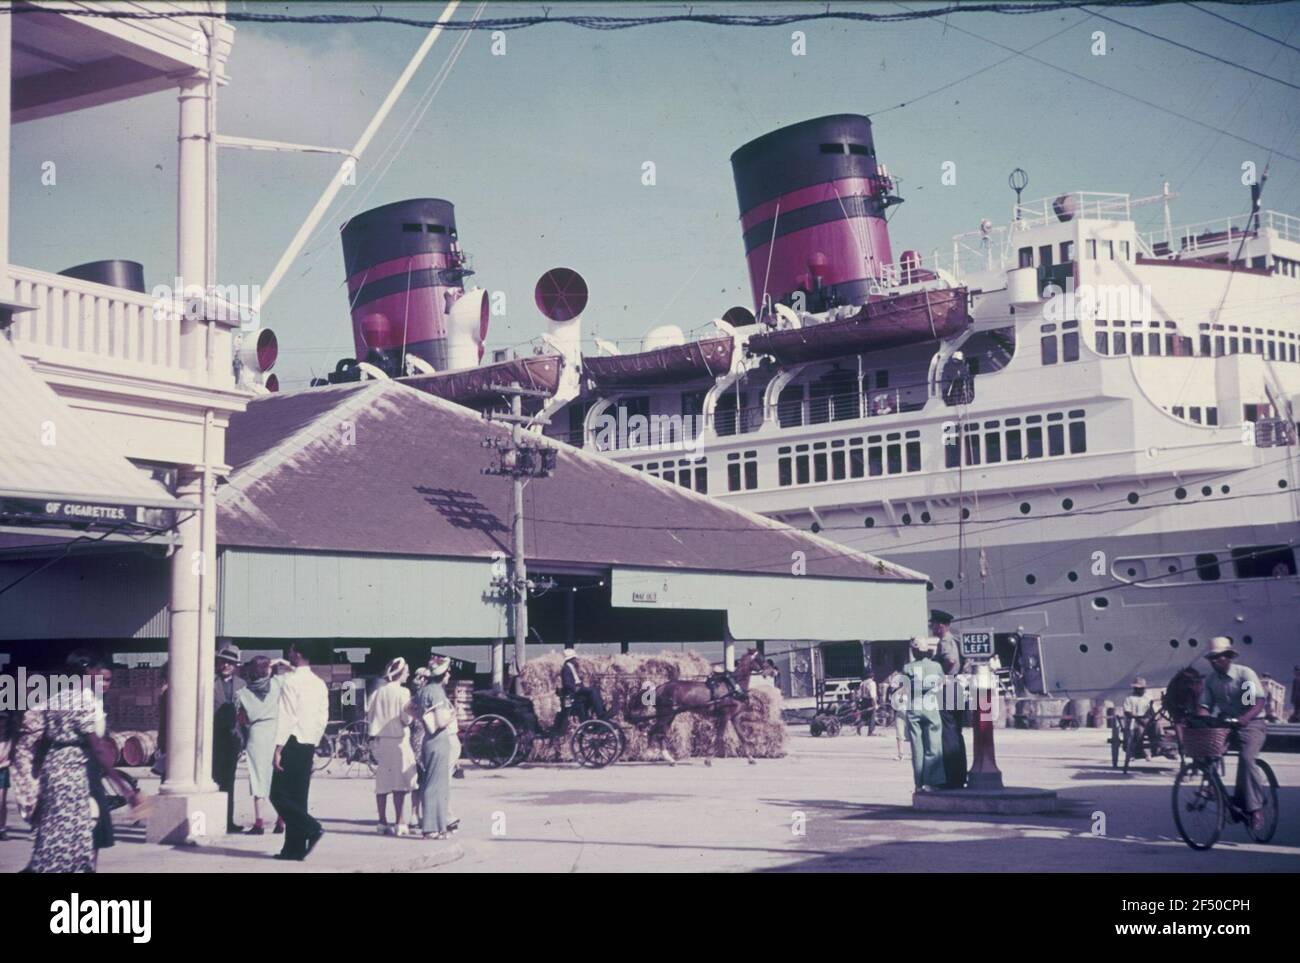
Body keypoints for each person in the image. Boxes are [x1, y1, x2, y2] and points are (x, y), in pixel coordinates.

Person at [11, 655, 110, 872]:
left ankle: (45, 864)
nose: (98, 676)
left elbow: (35, 735)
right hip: (73, 769)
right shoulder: (83, 701)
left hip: (52, 766)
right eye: (95, 671)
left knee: (52, 825)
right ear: (87, 672)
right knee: (76, 824)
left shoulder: (55, 699)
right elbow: (97, 744)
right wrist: (121, 783)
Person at [1198, 637, 1269, 832]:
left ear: (1228, 657)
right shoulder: (1211, 680)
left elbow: (1256, 703)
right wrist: (1201, 719)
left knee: (1247, 759)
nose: (1214, 661)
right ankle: (1212, 787)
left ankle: (1256, 809)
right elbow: (1205, 705)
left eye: (1218, 657)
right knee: (1207, 749)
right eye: (1212, 658)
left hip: (1252, 723)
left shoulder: (1244, 675)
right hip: (1226, 723)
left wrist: (1244, 719)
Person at [270, 641, 329, 860]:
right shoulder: (319, 683)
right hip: (308, 743)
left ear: (298, 654)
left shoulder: (291, 682)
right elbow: (323, 717)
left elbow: (287, 716)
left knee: (277, 794)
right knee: (298, 797)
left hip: (291, 741)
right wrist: (313, 739)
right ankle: (293, 849)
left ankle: (311, 827)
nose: (289, 653)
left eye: (292, 650)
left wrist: (278, 748)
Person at [367, 657, 418, 836]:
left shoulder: (377, 692)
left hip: (381, 741)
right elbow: (407, 718)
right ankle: (400, 822)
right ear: (400, 673)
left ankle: (381, 821)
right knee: (400, 783)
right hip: (398, 740)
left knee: (382, 783)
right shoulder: (403, 693)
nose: (408, 674)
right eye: (407, 671)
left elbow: (370, 715)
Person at [237, 655, 286, 835]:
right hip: (276, 732)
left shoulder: (242, 693)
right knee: (278, 777)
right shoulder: (277, 684)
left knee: (258, 778)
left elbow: (241, 720)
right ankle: (281, 821)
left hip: (256, 734)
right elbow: (299, 673)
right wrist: (280, 662)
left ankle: (259, 823)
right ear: (268, 670)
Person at [416, 655, 455, 839]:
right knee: (436, 785)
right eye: (448, 672)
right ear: (443, 675)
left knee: (431, 783)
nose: (449, 675)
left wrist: (423, 717)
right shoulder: (438, 693)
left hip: (427, 740)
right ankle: (431, 827)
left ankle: (438, 826)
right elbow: (440, 721)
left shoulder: (423, 691)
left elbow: (408, 708)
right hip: (438, 740)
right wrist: (451, 715)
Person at [901, 637, 945, 791]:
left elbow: (904, 687)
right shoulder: (936, 666)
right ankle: (931, 782)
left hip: (914, 707)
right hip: (931, 707)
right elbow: (942, 684)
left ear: (914, 650)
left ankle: (918, 784)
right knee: (933, 746)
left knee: (916, 746)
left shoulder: (907, 668)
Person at [931, 610, 968, 789]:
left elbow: (951, 661)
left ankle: (951, 778)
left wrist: (940, 675)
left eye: (933, 624)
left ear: (941, 625)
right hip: (956, 687)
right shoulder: (955, 640)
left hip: (948, 687)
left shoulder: (945, 641)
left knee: (948, 733)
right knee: (955, 732)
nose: (931, 627)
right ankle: (959, 775)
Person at [213, 645, 247, 833]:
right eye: (223, 661)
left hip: (233, 739)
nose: (226, 665)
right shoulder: (209, 682)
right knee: (213, 779)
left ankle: (229, 821)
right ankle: (213, 819)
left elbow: (245, 714)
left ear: (235, 665)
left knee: (229, 781)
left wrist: (244, 739)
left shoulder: (242, 685)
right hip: (214, 738)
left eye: (230, 662)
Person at [560, 647, 607, 720]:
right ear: (571, 659)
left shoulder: (571, 667)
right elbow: (566, 683)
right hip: (574, 691)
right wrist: (575, 688)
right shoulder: (566, 668)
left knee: (596, 689)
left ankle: (601, 710)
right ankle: (600, 714)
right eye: (575, 658)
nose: (576, 660)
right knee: (592, 691)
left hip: (578, 689)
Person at [1121, 677, 1157, 760]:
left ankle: (1161, 745)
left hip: (1146, 720)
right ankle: (1145, 752)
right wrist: (1137, 718)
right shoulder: (1129, 698)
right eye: (1137, 688)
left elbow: (1153, 711)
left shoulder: (1148, 697)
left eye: (1141, 688)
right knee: (1140, 730)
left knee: (1157, 725)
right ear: (1135, 688)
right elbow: (1127, 712)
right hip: (1134, 721)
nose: (1140, 690)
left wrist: (1151, 713)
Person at [884, 668, 908, 760]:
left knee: (914, 734)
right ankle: (900, 754)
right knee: (899, 734)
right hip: (899, 714)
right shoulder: (893, 691)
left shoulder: (907, 689)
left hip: (910, 713)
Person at [0, 710, 13, 842]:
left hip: (2, 758)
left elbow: (13, 732)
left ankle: (1, 828)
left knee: (1, 798)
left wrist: (8, 750)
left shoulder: (7, 711)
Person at [857, 671, 878, 736]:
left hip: (863, 701)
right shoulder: (872, 683)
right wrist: (875, 704)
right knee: (872, 716)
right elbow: (873, 695)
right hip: (870, 701)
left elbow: (859, 694)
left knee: (864, 717)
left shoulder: (862, 683)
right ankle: (870, 732)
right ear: (872, 677)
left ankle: (859, 726)